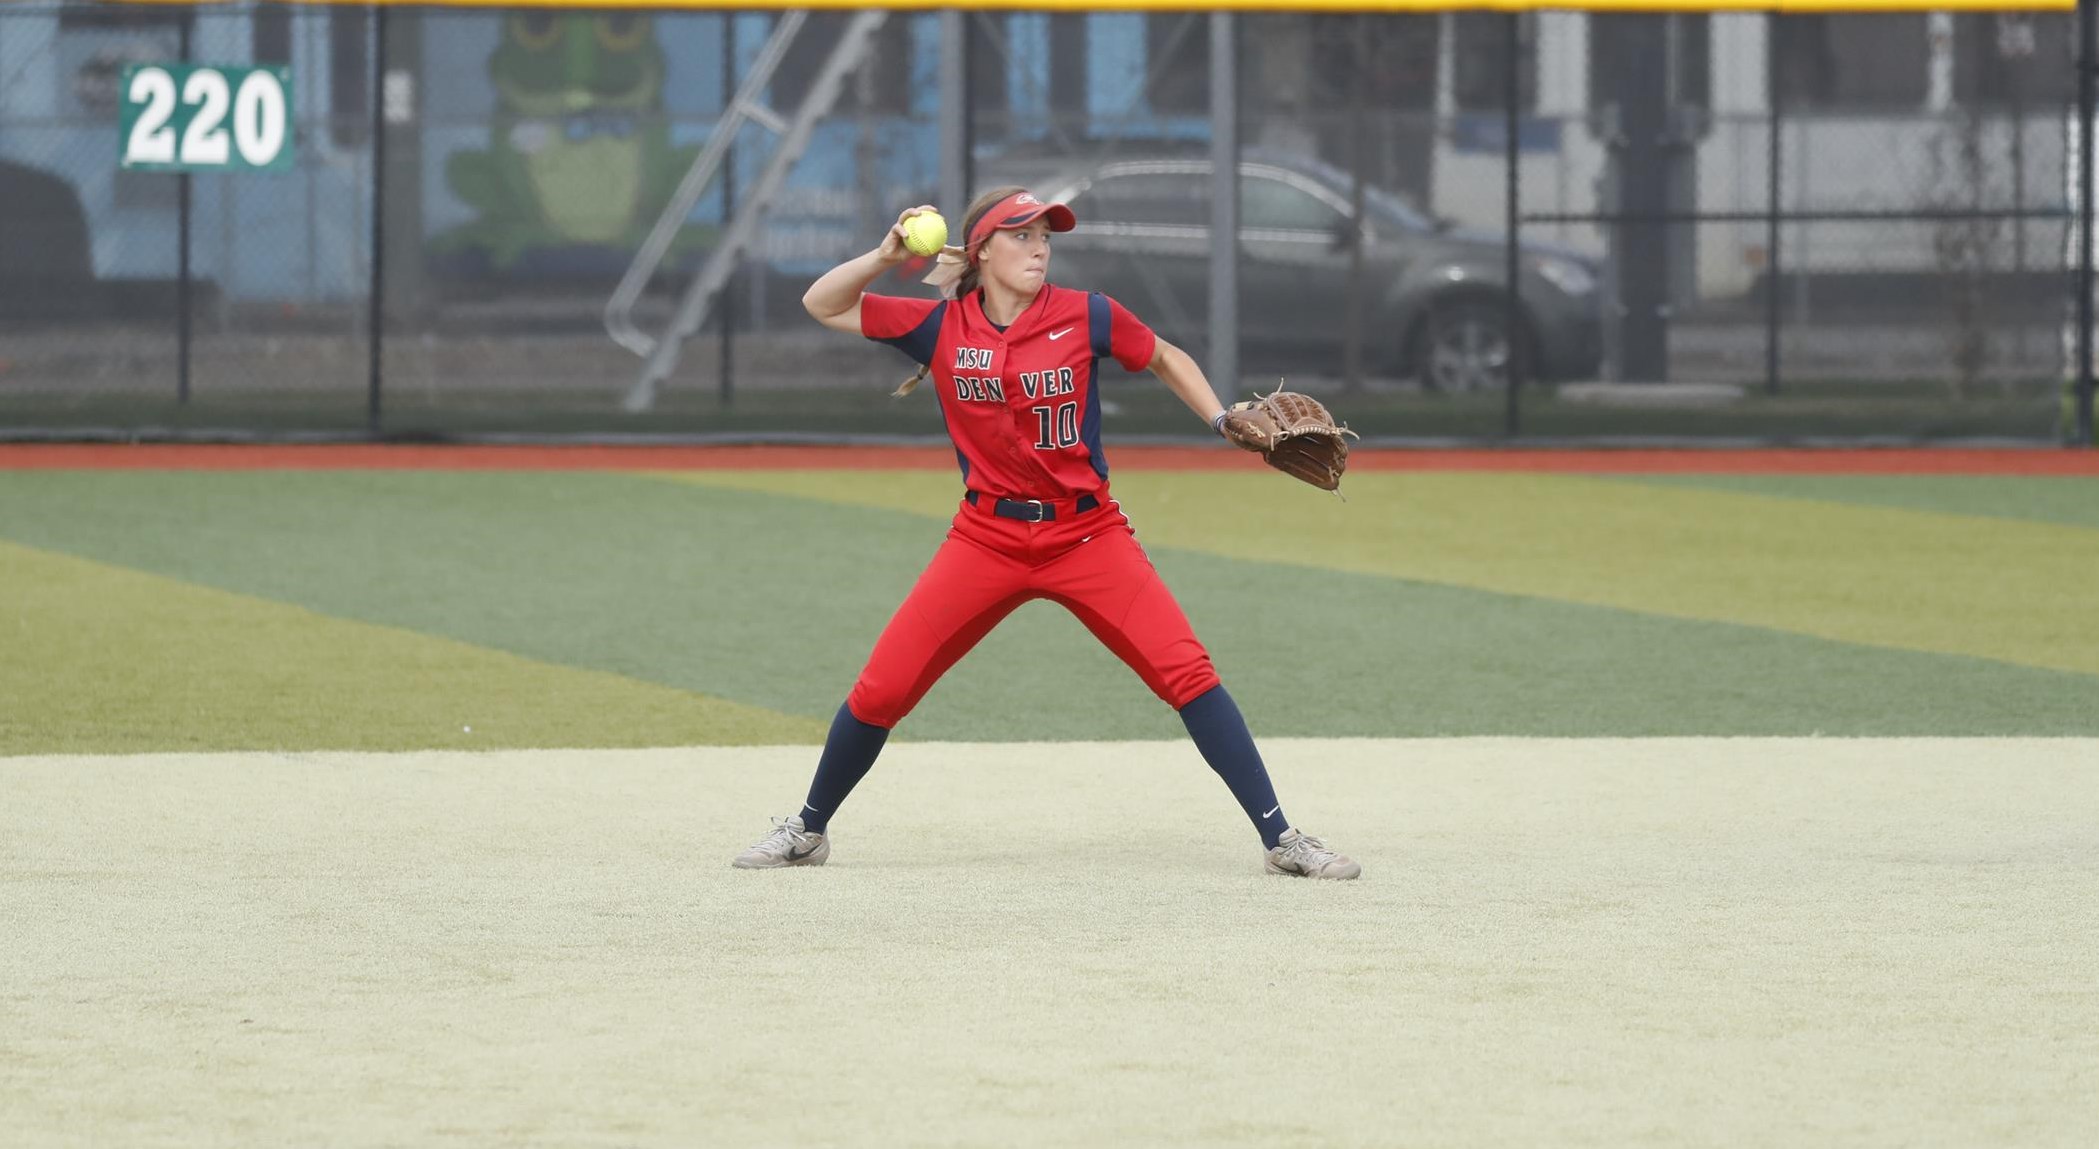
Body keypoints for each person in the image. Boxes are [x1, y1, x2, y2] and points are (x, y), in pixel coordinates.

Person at [731, 186, 1360, 880]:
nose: (1039, 248)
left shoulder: (1086, 315)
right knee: (882, 688)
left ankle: (1281, 837)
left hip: (1087, 538)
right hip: (984, 539)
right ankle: (807, 829)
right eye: (1022, 236)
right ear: (981, 251)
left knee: (1188, 673)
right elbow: (822, 302)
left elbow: (1163, 354)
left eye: (1044, 237)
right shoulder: (940, 327)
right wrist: (884, 255)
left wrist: (1216, 417)